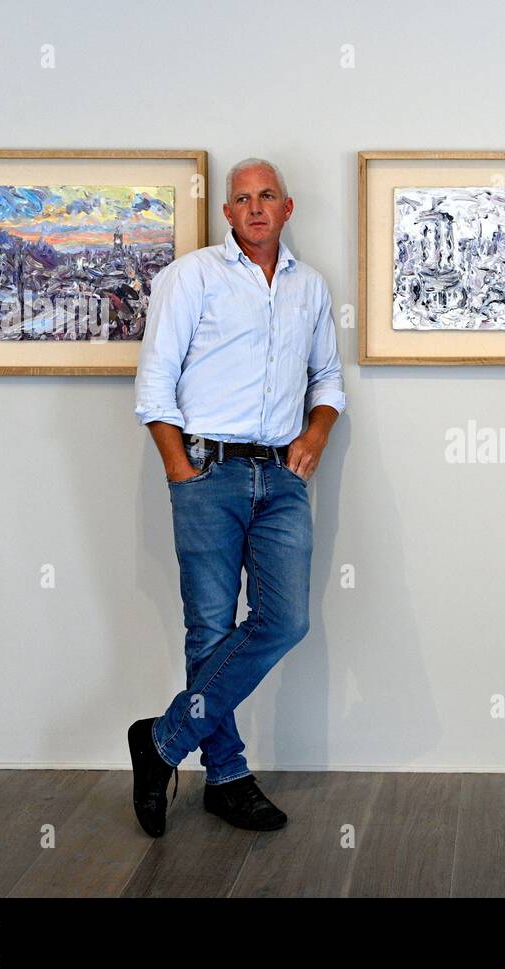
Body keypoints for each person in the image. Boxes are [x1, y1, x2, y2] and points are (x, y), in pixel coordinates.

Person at [126, 157, 347, 838]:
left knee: (284, 622)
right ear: (228, 213)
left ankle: (160, 741)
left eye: (267, 196)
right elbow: (155, 381)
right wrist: (177, 469)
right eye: (242, 198)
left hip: (281, 479)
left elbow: (329, 379)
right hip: (207, 472)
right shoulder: (190, 277)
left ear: (288, 206)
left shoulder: (310, 288)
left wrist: (316, 433)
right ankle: (226, 777)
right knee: (210, 628)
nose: (254, 207)